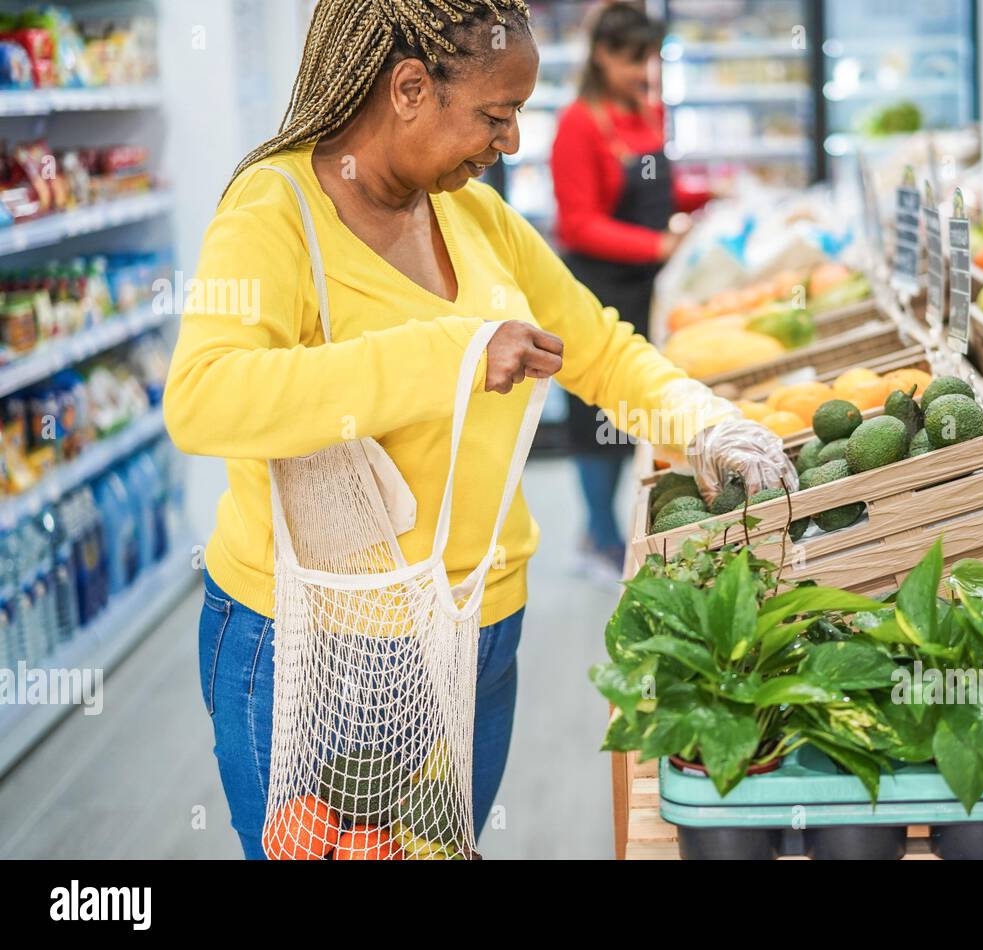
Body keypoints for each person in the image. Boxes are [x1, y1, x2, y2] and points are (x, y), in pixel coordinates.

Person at [163, 0, 792, 859]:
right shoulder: (276, 212)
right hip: (319, 650)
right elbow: (205, 397)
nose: (513, 142)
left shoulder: (475, 216)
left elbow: (598, 348)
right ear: (411, 87)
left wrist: (710, 424)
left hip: (481, 630)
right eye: (497, 115)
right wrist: (447, 354)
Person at [551, 2, 710, 579]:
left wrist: (703, 199)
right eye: (631, 58)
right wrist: (655, 247)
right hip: (597, 286)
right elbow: (578, 223)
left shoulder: (645, 110)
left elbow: (657, 194)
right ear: (601, 55)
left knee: (634, 407)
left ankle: (614, 525)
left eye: (649, 57)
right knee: (598, 413)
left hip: (645, 287)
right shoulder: (578, 123)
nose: (644, 69)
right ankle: (597, 535)